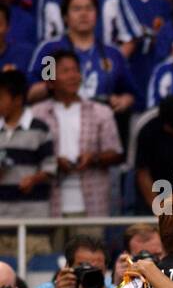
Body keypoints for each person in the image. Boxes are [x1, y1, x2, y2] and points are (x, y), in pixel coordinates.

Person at [30, 50, 124, 220]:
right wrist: (53, 163)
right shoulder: (36, 114)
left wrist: (93, 158)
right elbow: (27, 157)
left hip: (92, 204)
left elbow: (116, 154)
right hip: (48, 206)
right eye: (65, 71)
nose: (73, 76)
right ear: (50, 81)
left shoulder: (101, 112)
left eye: (76, 70)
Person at [0, 67, 54, 224]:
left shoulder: (40, 129)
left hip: (33, 216)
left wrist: (34, 179)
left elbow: (50, 168)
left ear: (17, 99)